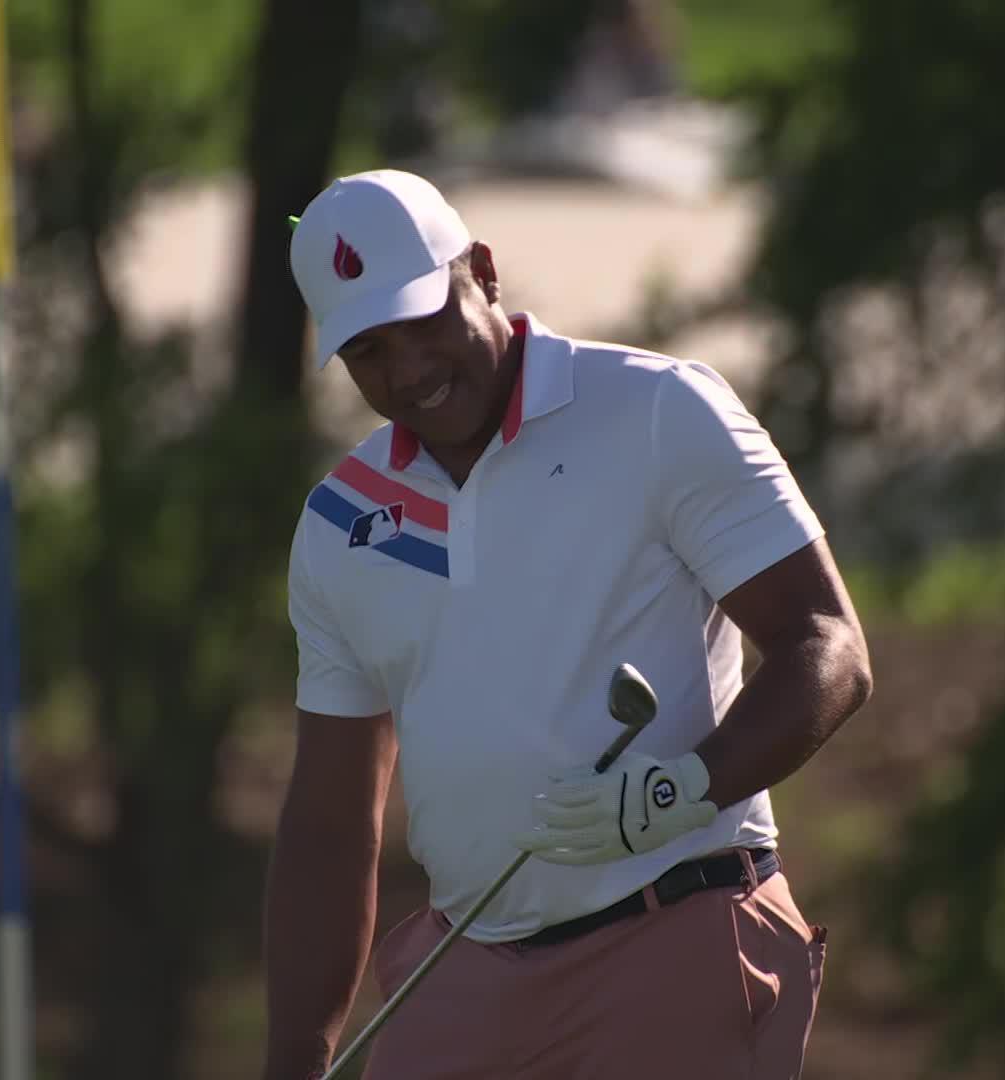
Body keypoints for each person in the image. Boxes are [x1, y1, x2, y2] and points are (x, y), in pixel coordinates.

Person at [262, 168, 873, 1080]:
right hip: (466, 964)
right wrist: (293, 1060)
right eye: (369, 354)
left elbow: (828, 646)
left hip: (677, 927)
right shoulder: (342, 521)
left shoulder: (658, 410)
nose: (409, 373)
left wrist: (688, 788)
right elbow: (331, 826)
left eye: (425, 322)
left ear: (483, 270)